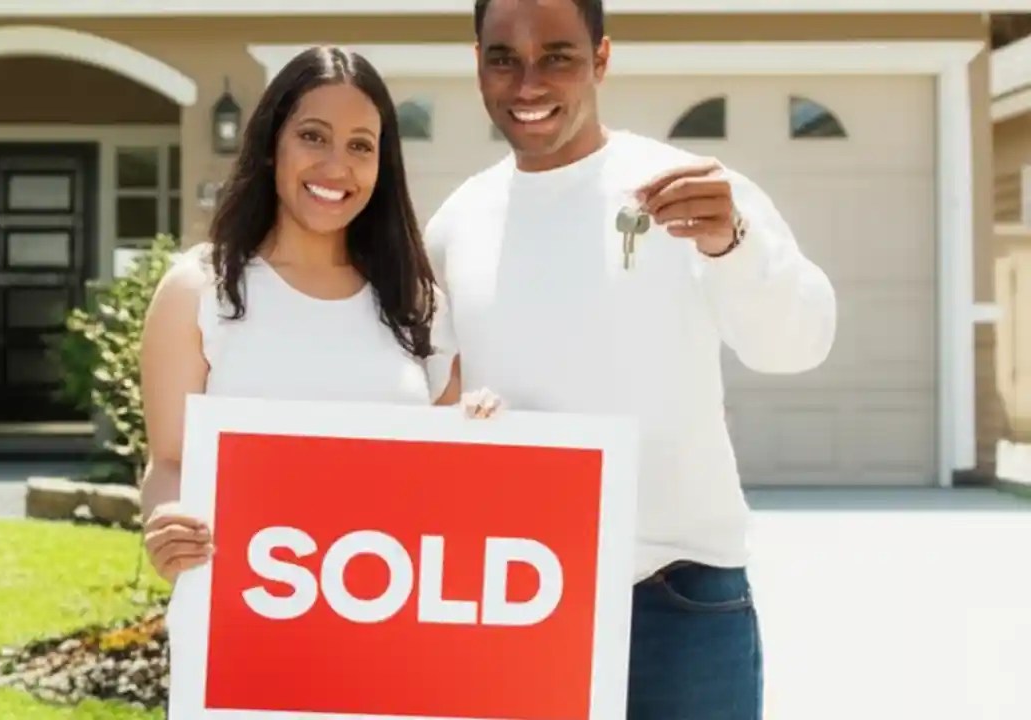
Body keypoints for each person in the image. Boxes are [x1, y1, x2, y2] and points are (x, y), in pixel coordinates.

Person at [423, 1, 837, 718]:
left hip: (680, 599)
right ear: (477, 66)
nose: (528, 84)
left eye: (558, 55)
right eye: (503, 58)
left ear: (602, 59)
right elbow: (427, 392)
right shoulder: (458, 221)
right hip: (516, 599)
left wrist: (733, 245)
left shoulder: (690, 190)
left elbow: (798, 344)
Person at [137, 46, 500, 585]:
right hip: (245, 616)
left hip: (384, 619)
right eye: (313, 136)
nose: (336, 165)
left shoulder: (417, 306)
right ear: (270, 146)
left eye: (360, 146)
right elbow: (169, 462)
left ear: (382, 166)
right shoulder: (199, 290)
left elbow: (446, 477)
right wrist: (164, 522)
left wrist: (479, 426)